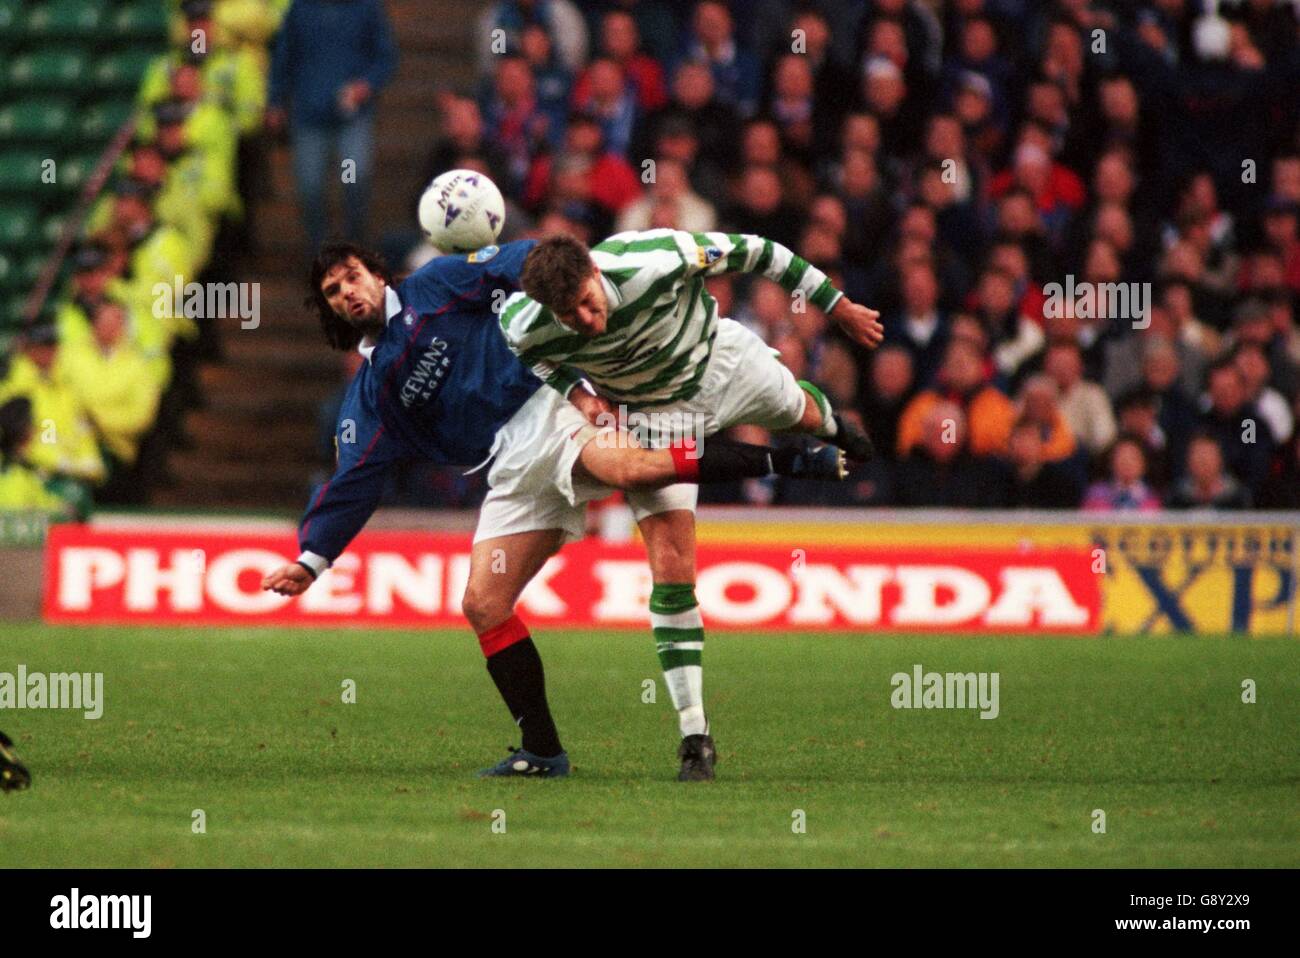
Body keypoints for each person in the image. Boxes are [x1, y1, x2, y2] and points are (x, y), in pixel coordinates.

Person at [261, 239, 845, 779]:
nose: (349, 293)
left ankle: (785, 461)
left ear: (377, 273)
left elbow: (512, 263)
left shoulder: (434, 285)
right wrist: (312, 558)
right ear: (331, 311)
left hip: (546, 407)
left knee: (628, 467)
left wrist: (571, 276)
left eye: (352, 277)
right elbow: (357, 474)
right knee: (483, 604)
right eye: (335, 292)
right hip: (509, 466)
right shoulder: (371, 393)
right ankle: (542, 750)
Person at [497, 228, 882, 779]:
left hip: (719, 365)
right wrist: (580, 394)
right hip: (653, 416)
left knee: (805, 415)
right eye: (569, 315)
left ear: (595, 273)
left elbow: (760, 250)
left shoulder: (656, 259)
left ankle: (833, 427)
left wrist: (836, 306)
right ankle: (695, 735)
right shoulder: (523, 323)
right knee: (673, 567)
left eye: (587, 301)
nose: (586, 320)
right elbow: (535, 359)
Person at [267, 0, 397, 252]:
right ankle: (320, 253)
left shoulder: (366, 8)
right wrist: (276, 100)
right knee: (310, 187)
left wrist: (364, 85)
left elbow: (385, 57)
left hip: (351, 118)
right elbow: (284, 55)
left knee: (353, 179)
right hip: (309, 118)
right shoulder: (301, 8)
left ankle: (354, 246)